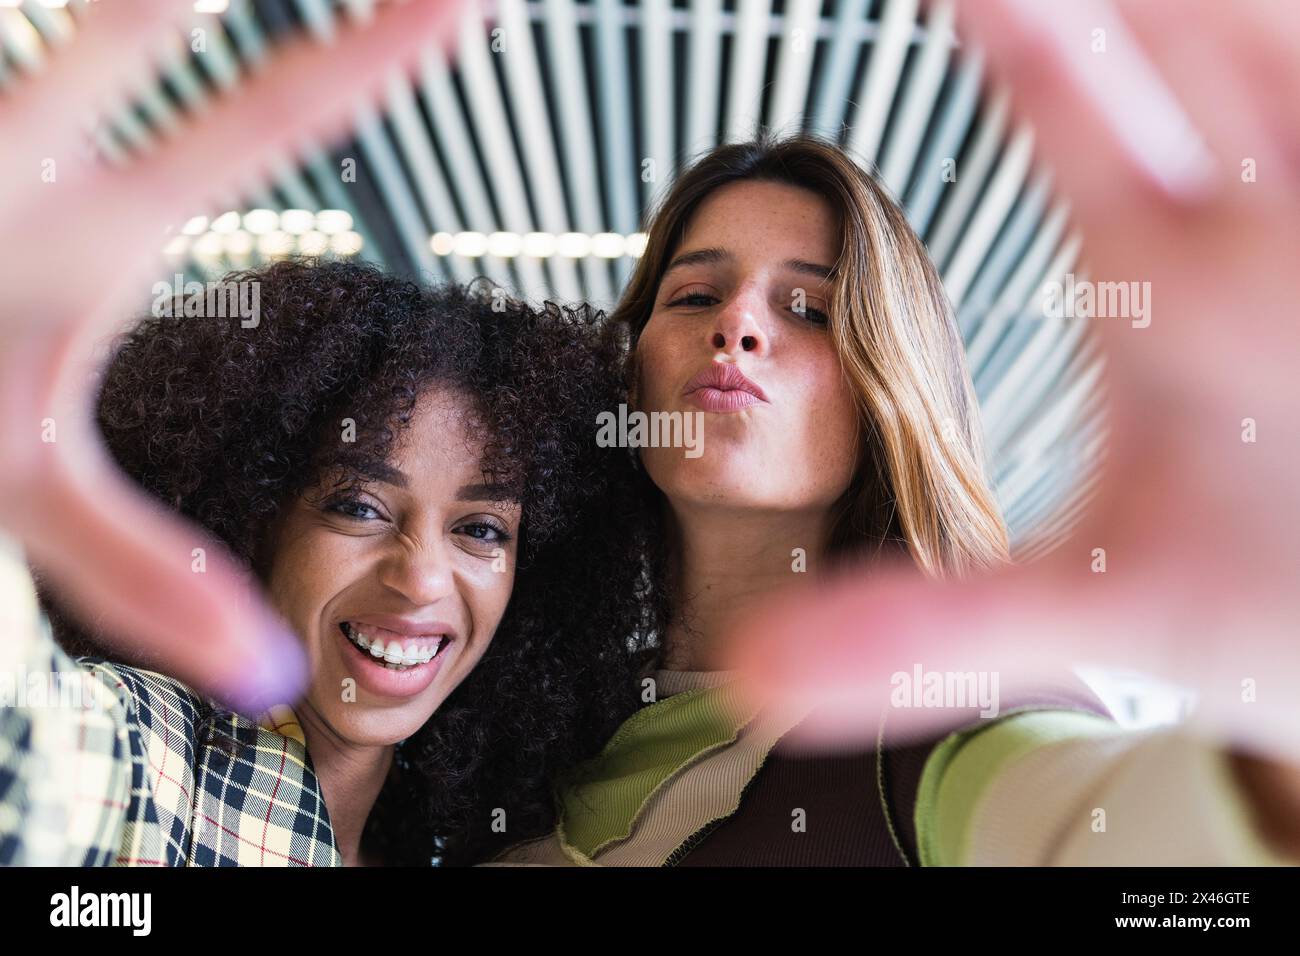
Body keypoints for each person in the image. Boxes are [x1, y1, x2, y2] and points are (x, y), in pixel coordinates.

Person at [488, 127, 1297, 866]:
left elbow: (1125, 848)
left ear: (888, 389)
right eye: (695, 296)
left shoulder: (943, 721)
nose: (736, 323)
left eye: (809, 309)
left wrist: (1274, 751)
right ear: (633, 377)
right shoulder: (506, 718)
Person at [2, 260, 651, 866]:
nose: (421, 579)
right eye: (359, 507)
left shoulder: (437, 842)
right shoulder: (149, 750)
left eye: (481, 528)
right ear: (251, 518)